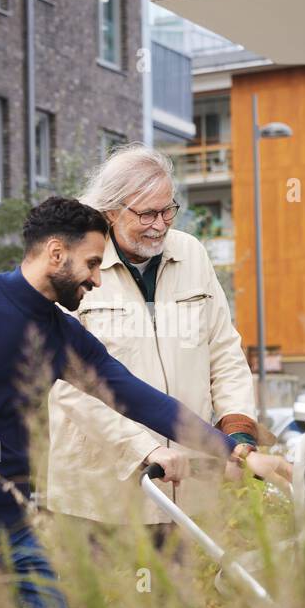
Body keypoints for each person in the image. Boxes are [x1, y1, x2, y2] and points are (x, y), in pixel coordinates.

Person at [0, 196, 282, 608]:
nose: (97, 279)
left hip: (17, 526)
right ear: (55, 253)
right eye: (91, 264)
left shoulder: (62, 334)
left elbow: (139, 399)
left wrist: (236, 451)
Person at [46, 145, 259, 544]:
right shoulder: (75, 264)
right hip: (101, 500)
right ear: (110, 210)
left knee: (186, 605)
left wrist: (238, 431)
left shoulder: (192, 255)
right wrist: (144, 450)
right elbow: (68, 386)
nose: (160, 225)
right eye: (146, 214)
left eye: (167, 210)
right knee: (108, 606)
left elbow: (224, 352)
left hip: (191, 496)